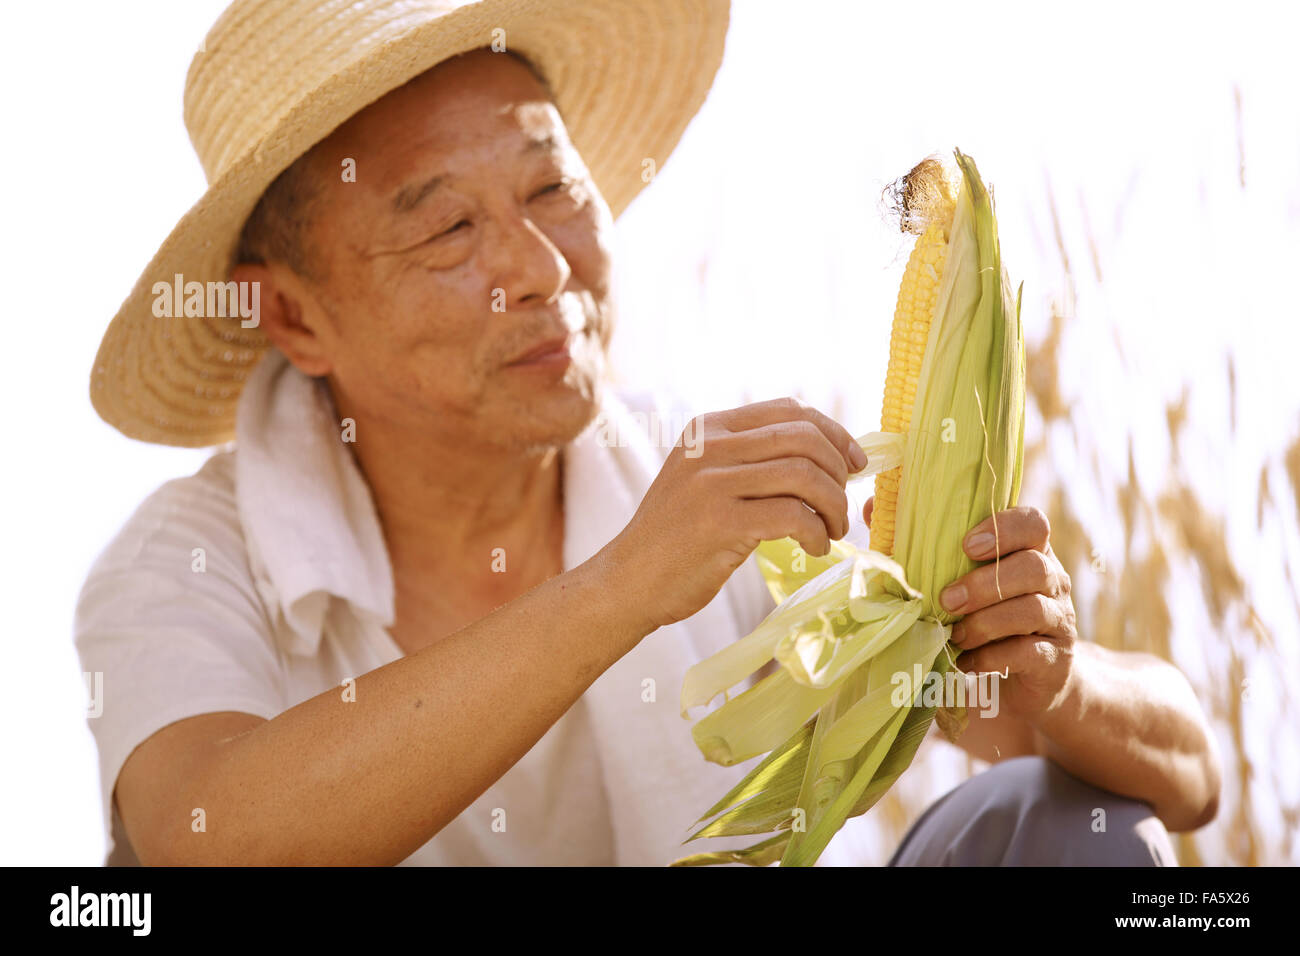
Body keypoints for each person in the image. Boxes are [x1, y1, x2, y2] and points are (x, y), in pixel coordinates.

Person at [76, 0, 1219, 866]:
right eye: (446, 233)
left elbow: (1190, 774)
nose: (538, 268)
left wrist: (1052, 683)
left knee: (1060, 822)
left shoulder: (731, 490)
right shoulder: (183, 559)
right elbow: (205, 830)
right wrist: (622, 584)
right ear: (293, 315)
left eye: (555, 191)